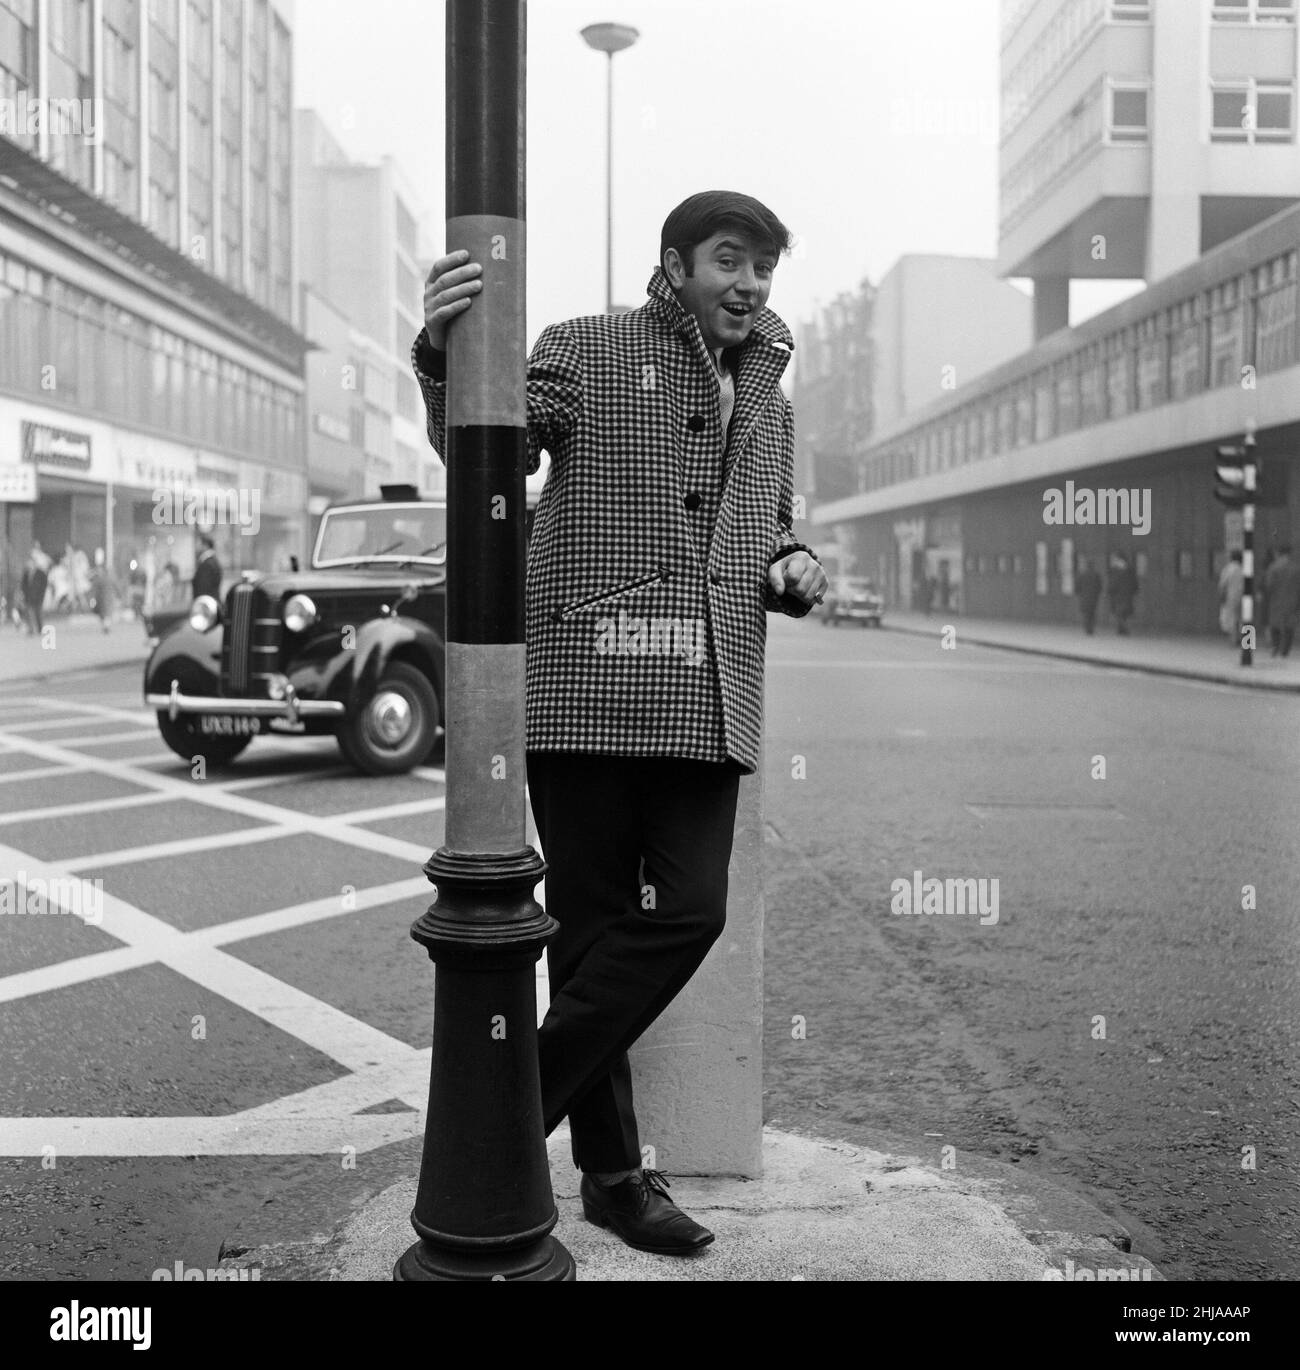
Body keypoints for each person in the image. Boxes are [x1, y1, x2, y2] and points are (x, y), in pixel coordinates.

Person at [415, 190, 827, 1257]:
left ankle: (507, 1116)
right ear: (675, 264)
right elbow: (489, 445)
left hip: (709, 690)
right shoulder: (586, 348)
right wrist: (439, 348)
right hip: (586, 683)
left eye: (764, 269)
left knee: (690, 909)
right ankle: (610, 1177)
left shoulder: (770, 396)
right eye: (729, 261)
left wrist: (790, 559)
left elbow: (769, 520)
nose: (749, 285)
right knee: (591, 934)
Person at [1264, 544, 1300, 658]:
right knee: (1289, 626)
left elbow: (1269, 585)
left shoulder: (1273, 567)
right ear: (1290, 554)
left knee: (1275, 625)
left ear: (1279, 553)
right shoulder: (1296, 568)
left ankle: (1275, 647)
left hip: (1276, 601)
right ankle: (1285, 651)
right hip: (1292, 601)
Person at [1107, 551, 1138, 636]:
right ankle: (1121, 630)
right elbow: (1134, 582)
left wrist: (1110, 590)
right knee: (1122, 612)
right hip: (1125, 594)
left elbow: (1112, 583)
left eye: (1114, 559)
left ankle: (1124, 629)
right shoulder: (1129, 569)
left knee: (1120, 612)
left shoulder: (1115, 570)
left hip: (1119, 595)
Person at [1218, 551, 1244, 644]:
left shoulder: (1228, 568)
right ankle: (1243, 639)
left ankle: (1233, 639)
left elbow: (1222, 584)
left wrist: (1221, 596)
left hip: (1230, 596)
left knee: (1231, 618)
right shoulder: (1242, 568)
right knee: (1241, 618)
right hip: (1242, 596)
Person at [20, 547, 48, 636]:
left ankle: (40, 629)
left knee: (38, 613)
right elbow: (23, 584)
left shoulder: (40, 573)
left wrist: (42, 593)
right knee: (29, 613)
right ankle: (30, 629)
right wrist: (23, 593)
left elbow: (44, 584)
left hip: (38, 596)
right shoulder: (26, 573)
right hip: (28, 596)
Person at [1075, 555, 1103, 635]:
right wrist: (1097, 594)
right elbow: (1099, 586)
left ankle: (1087, 628)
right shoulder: (1096, 575)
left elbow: (1077, 587)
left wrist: (1079, 593)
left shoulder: (1081, 575)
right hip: (1094, 597)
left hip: (1084, 597)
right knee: (1092, 613)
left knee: (1086, 613)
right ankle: (1091, 628)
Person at [89, 548, 115, 633]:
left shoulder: (100, 579)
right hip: (104, 599)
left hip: (103, 599)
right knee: (105, 613)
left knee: (104, 614)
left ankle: (106, 626)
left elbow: (93, 590)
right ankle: (106, 626)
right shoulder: (105, 579)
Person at [192, 535, 223, 601]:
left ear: (205, 545)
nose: (196, 546)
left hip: (206, 606)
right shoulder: (211, 561)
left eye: (198, 543)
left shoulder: (207, 564)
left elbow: (203, 589)